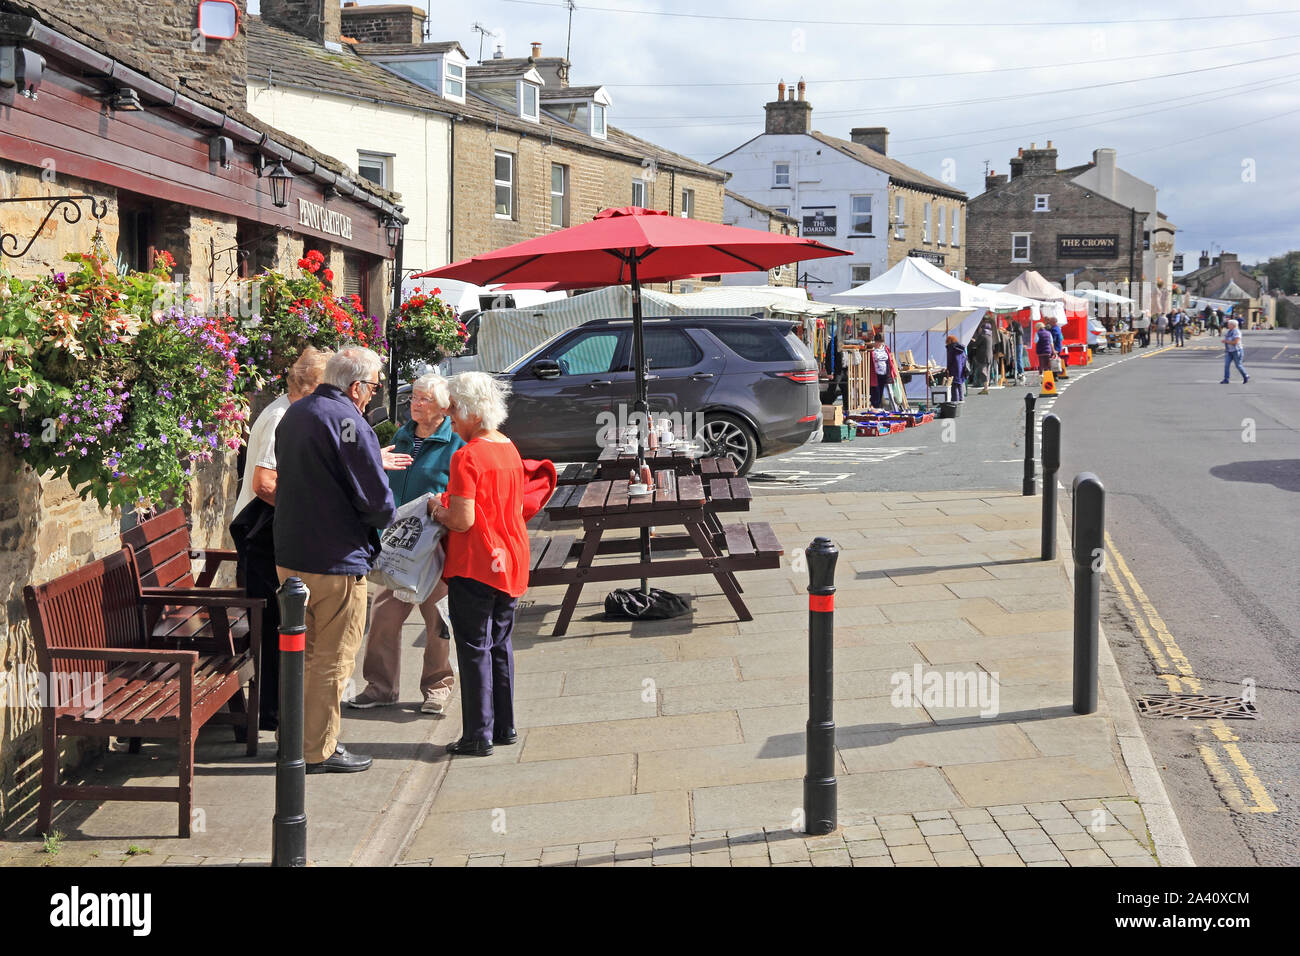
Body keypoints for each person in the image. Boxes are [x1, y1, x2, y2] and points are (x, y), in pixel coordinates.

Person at [273, 346, 399, 774]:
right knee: (332, 658)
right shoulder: (349, 421)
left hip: (292, 554)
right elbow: (376, 499)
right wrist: (382, 516)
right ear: (356, 386)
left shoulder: (296, 412)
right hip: (335, 558)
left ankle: (294, 742)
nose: (374, 395)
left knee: (301, 656)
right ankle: (317, 750)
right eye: (374, 387)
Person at [347, 373, 465, 715]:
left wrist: (439, 508)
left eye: (425, 399)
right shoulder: (401, 436)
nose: (416, 404)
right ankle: (380, 687)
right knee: (384, 616)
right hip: (398, 543)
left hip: (436, 546)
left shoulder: (455, 443)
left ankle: (437, 686)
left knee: (437, 621)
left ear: (443, 407)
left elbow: (459, 494)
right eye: (414, 397)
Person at [230, 346, 332, 732]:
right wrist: (307, 510)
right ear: (309, 386)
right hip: (260, 529)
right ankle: (272, 712)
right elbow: (264, 484)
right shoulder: (282, 417)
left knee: (282, 619)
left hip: (269, 527)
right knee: (276, 621)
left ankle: (278, 707)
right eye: (327, 387)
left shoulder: (291, 411)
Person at [431, 372, 530, 758]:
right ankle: (504, 726)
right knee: (500, 645)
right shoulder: (508, 446)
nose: (449, 415)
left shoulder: (467, 455)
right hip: (511, 557)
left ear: (473, 411)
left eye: (454, 408)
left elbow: (462, 520)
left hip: (476, 561)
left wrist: (436, 508)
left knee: (474, 649)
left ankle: (477, 735)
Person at [868, 333, 896, 409]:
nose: (878, 343)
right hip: (875, 374)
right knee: (875, 393)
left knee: (880, 392)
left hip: (884, 373)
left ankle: (877, 408)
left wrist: (892, 371)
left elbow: (889, 360)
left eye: (880, 342)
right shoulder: (872, 350)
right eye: (877, 342)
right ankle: (875, 407)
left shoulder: (885, 348)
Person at [1220, 319, 1248, 384]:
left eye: (1229, 324)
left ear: (1233, 325)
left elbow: (1236, 342)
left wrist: (1226, 341)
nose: (1228, 325)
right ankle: (1226, 379)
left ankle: (1245, 375)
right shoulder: (1229, 331)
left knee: (1238, 365)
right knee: (1226, 365)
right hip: (1229, 351)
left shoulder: (1237, 332)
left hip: (1236, 350)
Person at [945, 334, 967, 402]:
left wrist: (948, 368)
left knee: (954, 386)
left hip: (953, 369)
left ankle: (955, 401)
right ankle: (961, 399)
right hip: (961, 369)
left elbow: (950, 360)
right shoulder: (961, 348)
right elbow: (964, 358)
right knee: (959, 384)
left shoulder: (951, 348)